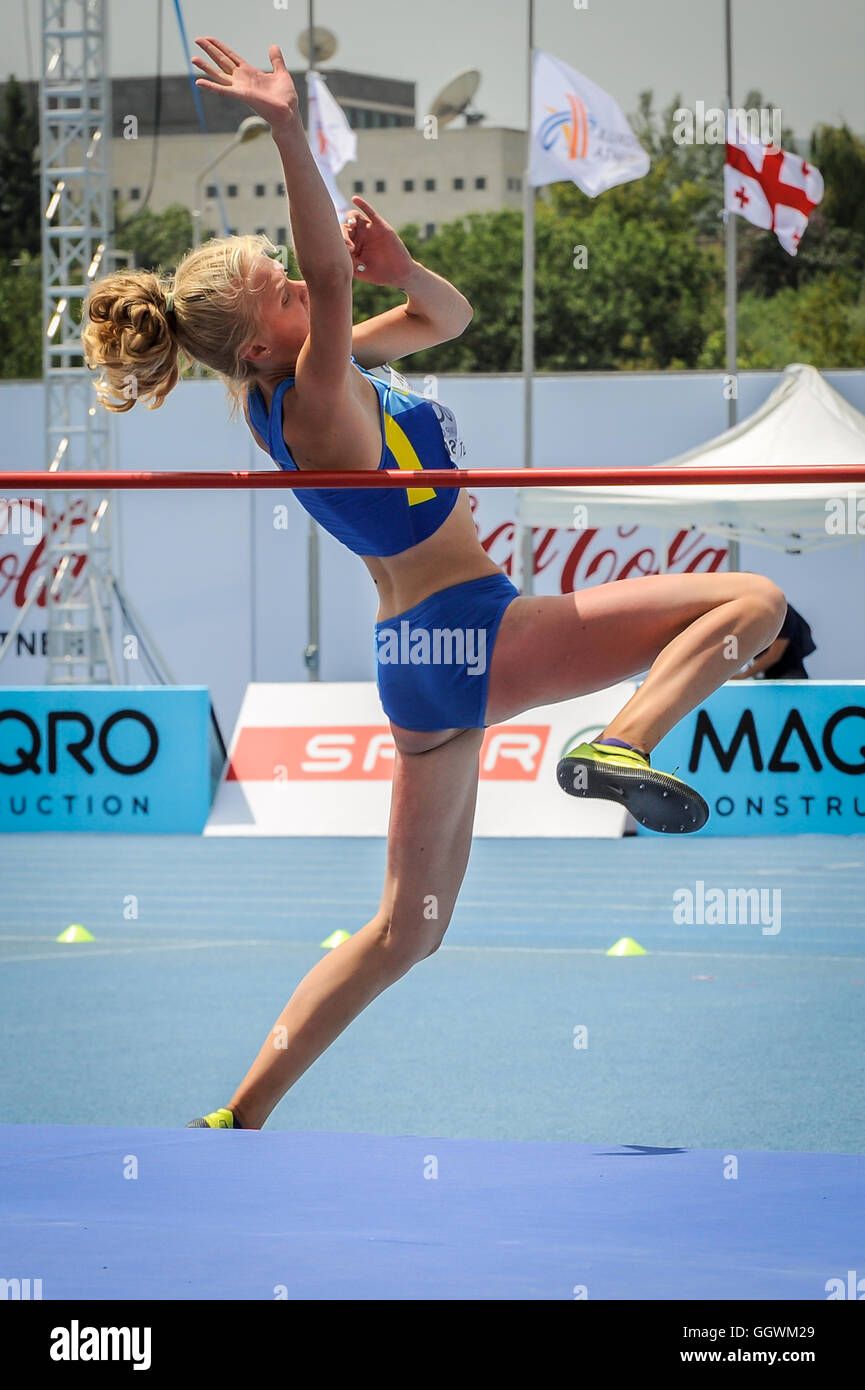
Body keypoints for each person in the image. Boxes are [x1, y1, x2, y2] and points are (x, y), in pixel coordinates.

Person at [81, 37, 787, 1131]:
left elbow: (445, 320)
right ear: (262, 336)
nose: (301, 278)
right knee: (752, 606)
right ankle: (621, 744)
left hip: (420, 667)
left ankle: (239, 1112)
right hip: (469, 632)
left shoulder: (330, 372)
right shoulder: (308, 395)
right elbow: (322, 272)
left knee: (405, 929)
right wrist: (282, 125)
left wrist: (401, 270)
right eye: (278, 282)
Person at [729, 601, 816, 679]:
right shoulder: (756, 615)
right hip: (769, 677)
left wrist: (743, 676)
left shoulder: (781, 612)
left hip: (790, 678)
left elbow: (774, 655)